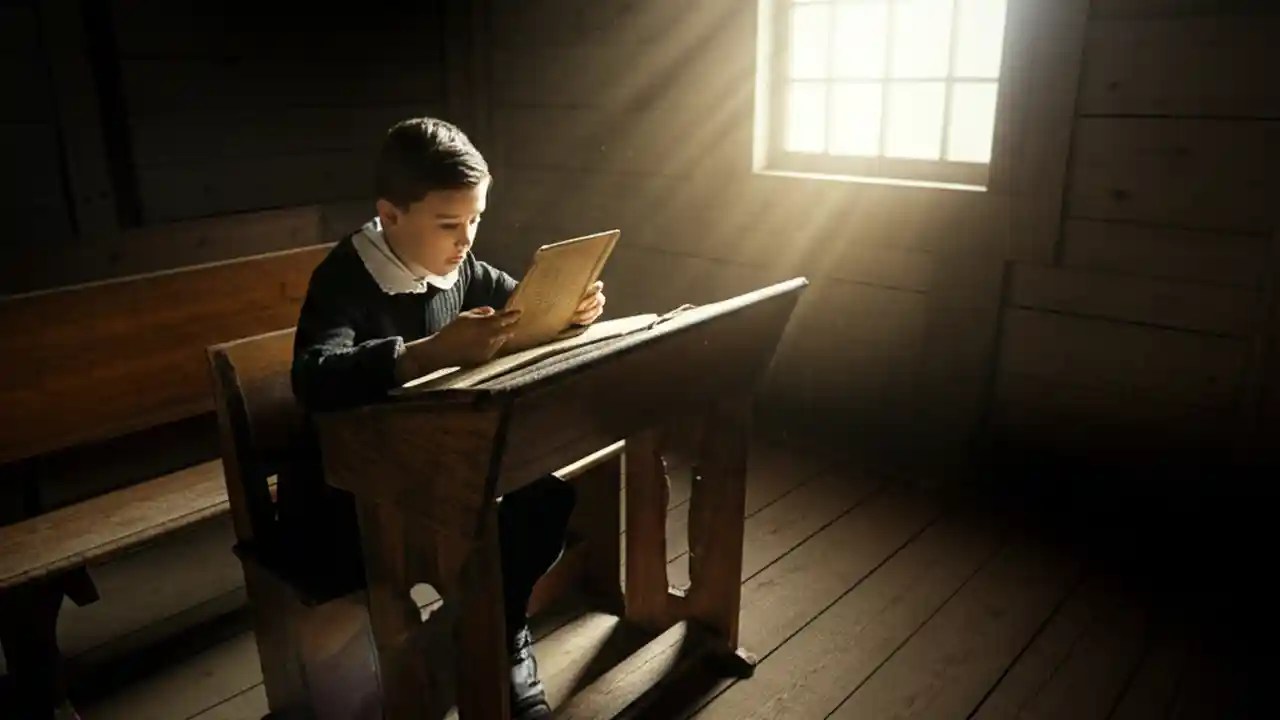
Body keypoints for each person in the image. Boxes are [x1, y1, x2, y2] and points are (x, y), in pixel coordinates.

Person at [285, 117, 605, 719]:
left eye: (476, 219)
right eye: (449, 224)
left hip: (435, 458)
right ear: (392, 214)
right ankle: (480, 636)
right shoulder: (346, 276)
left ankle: (497, 629)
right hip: (350, 489)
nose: (466, 240)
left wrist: (570, 311)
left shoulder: (462, 269)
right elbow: (312, 377)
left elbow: (518, 311)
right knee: (486, 524)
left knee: (545, 500)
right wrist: (430, 353)